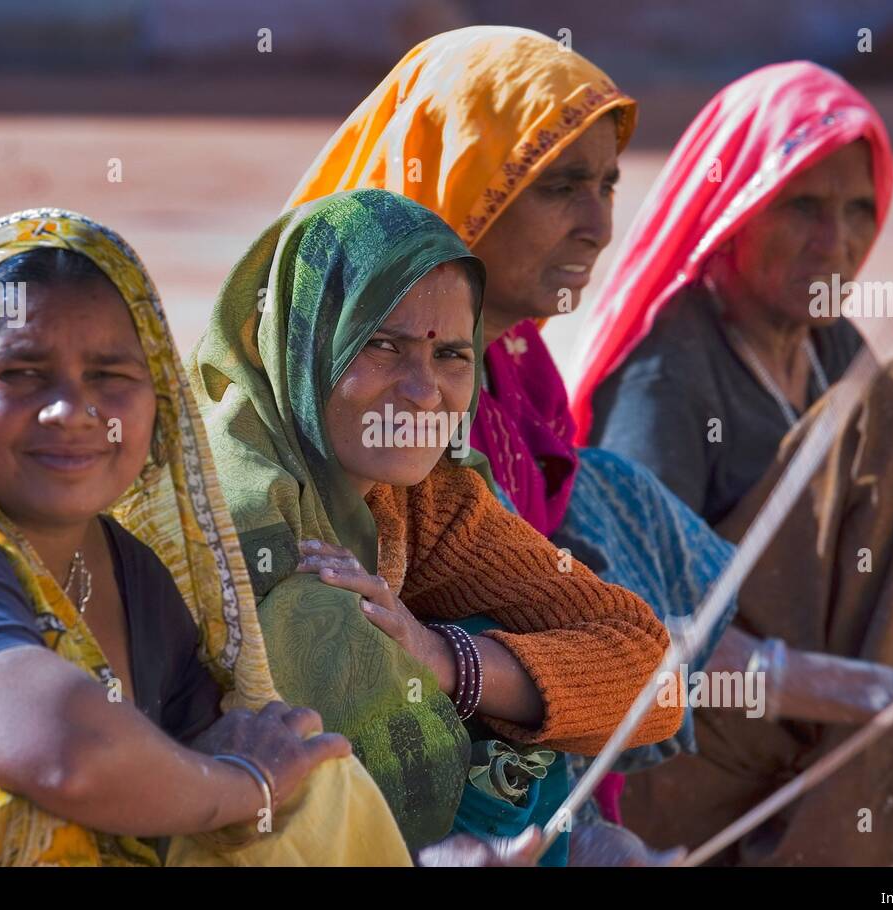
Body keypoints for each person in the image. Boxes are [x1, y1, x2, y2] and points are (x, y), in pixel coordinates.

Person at [0, 208, 412, 867]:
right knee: (27, 821)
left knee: (307, 779)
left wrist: (258, 787)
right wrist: (246, 785)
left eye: (110, 376)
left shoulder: (130, 568)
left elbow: (193, 761)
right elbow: (61, 757)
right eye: (21, 374)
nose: (72, 412)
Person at [285, 26, 743, 864]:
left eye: (607, 185)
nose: (600, 226)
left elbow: (646, 670)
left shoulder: (508, 390)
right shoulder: (281, 475)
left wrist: (446, 658)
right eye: (561, 186)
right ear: (462, 183)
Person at [569, 62, 893, 865]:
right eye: (803, 207)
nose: (838, 242)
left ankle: (888, 791)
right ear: (736, 212)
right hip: (679, 757)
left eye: (859, 210)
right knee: (892, 405)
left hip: (793, 735)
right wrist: (883, 696)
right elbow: (636, 640)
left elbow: (880, 597)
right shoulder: (669, 369)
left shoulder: (830, 348)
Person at [188, 188, 684, 858]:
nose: (425, 391)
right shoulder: (235, 505)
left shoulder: (425, 497)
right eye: (383, 345)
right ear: (302, 341)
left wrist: (444, 659)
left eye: (451, 353)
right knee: (321, 615)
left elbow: (654, 678)